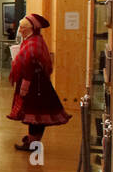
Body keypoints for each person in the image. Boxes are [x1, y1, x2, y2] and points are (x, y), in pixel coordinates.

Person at [8, 13, 71, 150]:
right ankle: (32, 141)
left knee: (35, 115)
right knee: (36, 115)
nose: (19, 30)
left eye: (22, 27)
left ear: (29, 29)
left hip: (34, 84)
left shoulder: (33, 43)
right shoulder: (35, 41)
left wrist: (24, 85)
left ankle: (33, 143)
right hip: (37, 83)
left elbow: (30, 65)